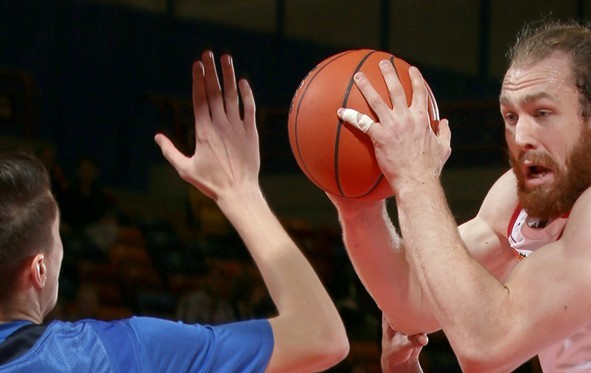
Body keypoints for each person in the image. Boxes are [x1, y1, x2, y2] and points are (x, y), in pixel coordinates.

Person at [331, 20, 591, 372]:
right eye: (510, 116)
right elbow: (410, 302)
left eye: (542, 113)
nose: (520, 138)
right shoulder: (527, 193)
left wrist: (416, 178)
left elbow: (487, 348)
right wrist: (358, 205)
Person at [0, 51, 348, 372]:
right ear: (40, 269)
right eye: (56, 238)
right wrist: (240, 192)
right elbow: (321, 336)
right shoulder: (109, 353)